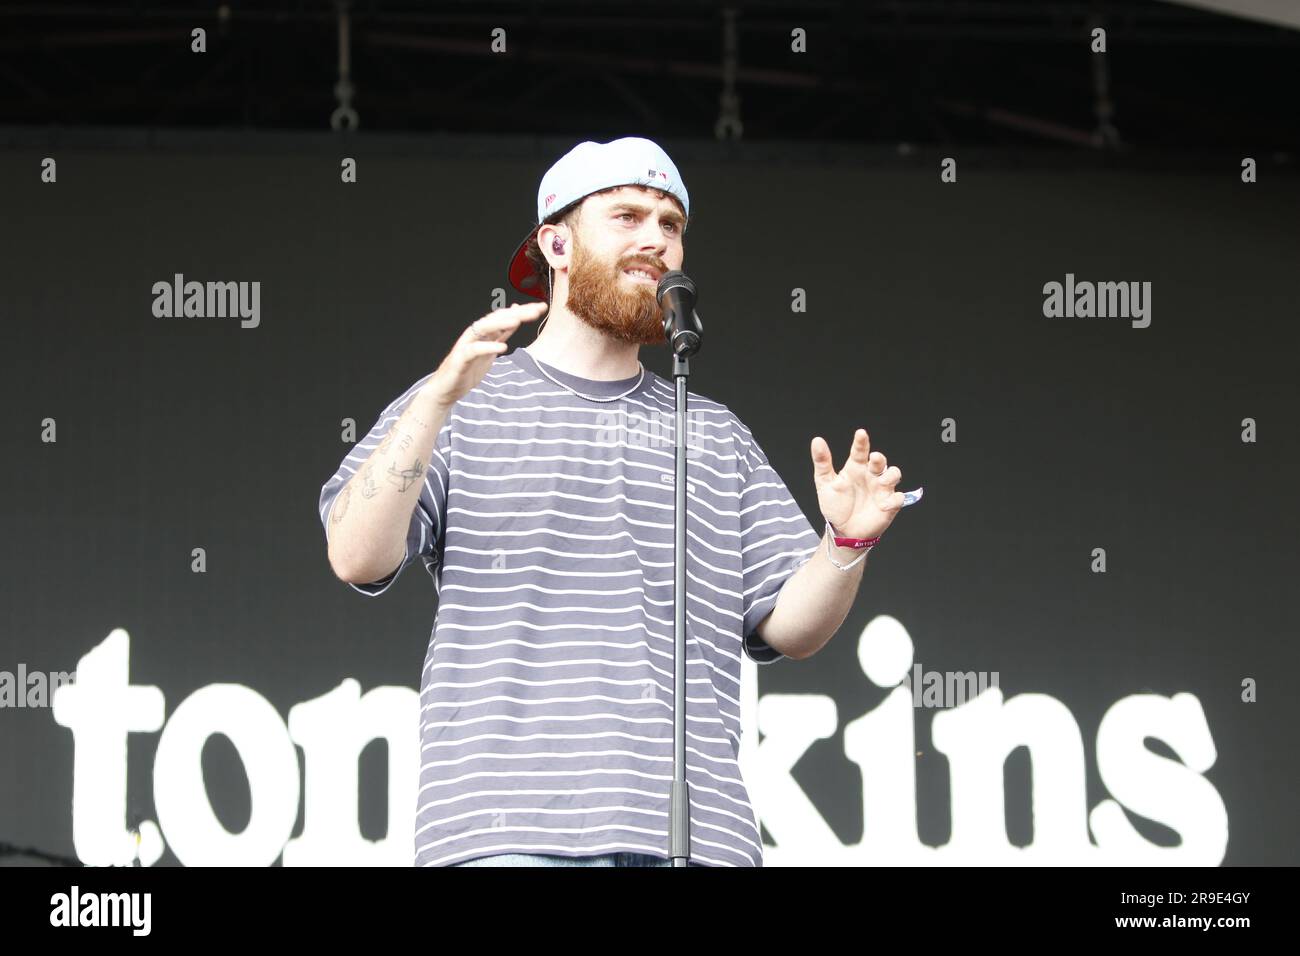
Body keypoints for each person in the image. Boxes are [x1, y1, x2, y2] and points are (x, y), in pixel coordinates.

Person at [318, 137, 908, 867]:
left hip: (699, 842)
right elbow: (354, 555)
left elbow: (794, 629)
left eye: (671, 224)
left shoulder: (714, 433)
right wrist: (437, 398)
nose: (655, 240)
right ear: (555, 243)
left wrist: (845, 545)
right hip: (509, 835)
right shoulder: (461, 400)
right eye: (627, 216)